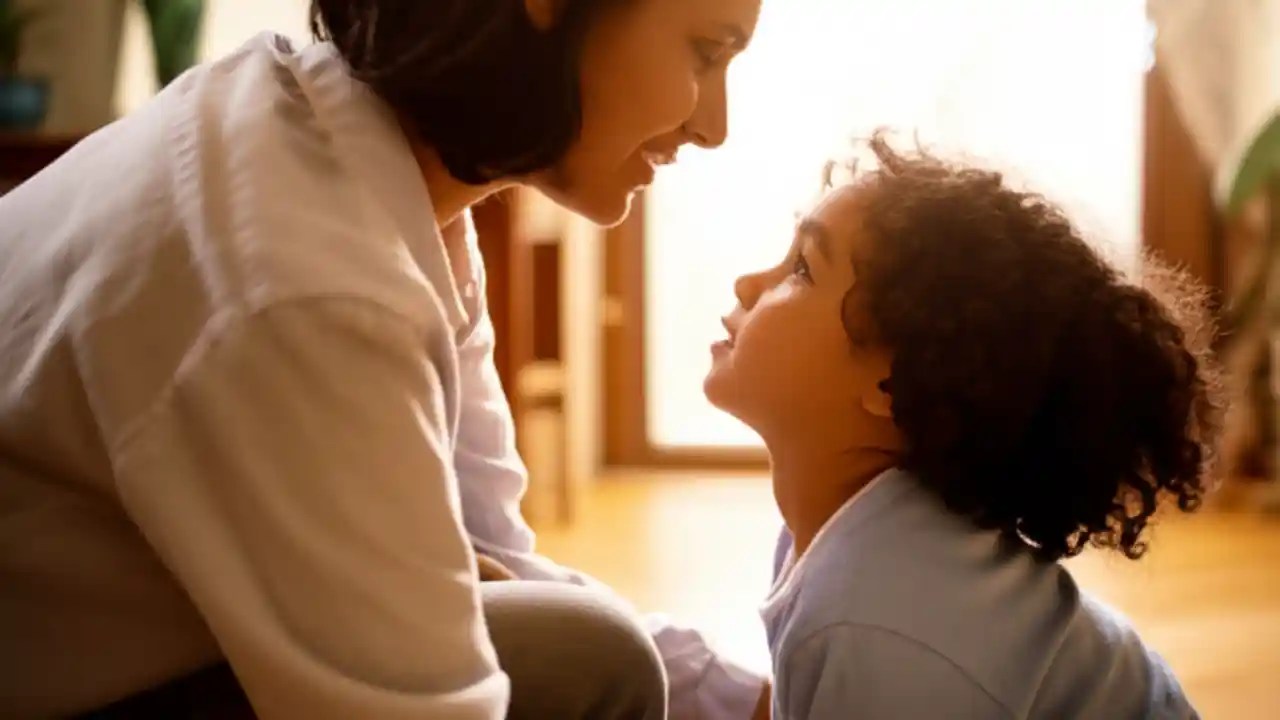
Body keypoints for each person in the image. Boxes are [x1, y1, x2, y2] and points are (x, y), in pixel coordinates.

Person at [0, 0, 768, 718]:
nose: (718, 127)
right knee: (594, 662)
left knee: (585, 641)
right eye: (705, 53)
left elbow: (490, 550)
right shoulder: (311, 286)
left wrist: (758, 703)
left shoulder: (352, 161)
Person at [703, 133, 1222, 719]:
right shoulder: (841, 540)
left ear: (892, 382)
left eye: (801, 269)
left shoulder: (884, 624)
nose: (750, 283)